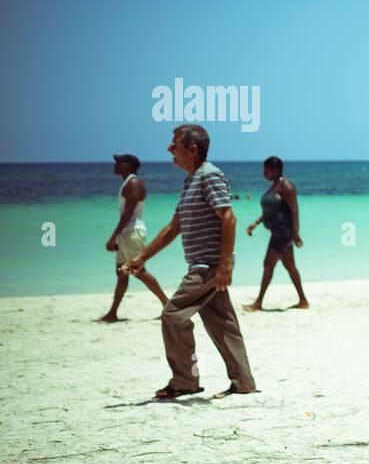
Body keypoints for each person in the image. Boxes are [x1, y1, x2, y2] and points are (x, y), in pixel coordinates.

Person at [120, 124, 256, 400]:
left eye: (174, 144)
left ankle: (185, 380)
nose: (169, 148)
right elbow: (174, 226)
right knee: (222, 324)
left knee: (173, 316)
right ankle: (243, 382)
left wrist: (224, 266)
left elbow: (229, 218)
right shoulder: (191, 180)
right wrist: (141, 256)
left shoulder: (210, 175)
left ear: (192, 149)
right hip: (205, 264)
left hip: (208, 266)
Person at [99, 153, 168, 321]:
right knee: (122, 273)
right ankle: (112, 313)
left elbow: (128, 212)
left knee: (138, 270)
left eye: (119, 162)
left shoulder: (134, 183)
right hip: (127, 232)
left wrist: (112, 237)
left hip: (132, 231)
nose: (115, 165)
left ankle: (168, 305)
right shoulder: (128, 182)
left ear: (128, 165)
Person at [242, 156, 308, 311]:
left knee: (268, 265)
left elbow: (294, 209)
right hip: (277, 231)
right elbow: (270, 211)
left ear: (275, 170)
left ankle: (258, 303)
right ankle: (303, 301)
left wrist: (296, 233)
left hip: (283, 232)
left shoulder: (286, 186)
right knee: (290, 266)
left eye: (266, 170)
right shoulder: (274, 187)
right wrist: (255, 224)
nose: (264, 173)